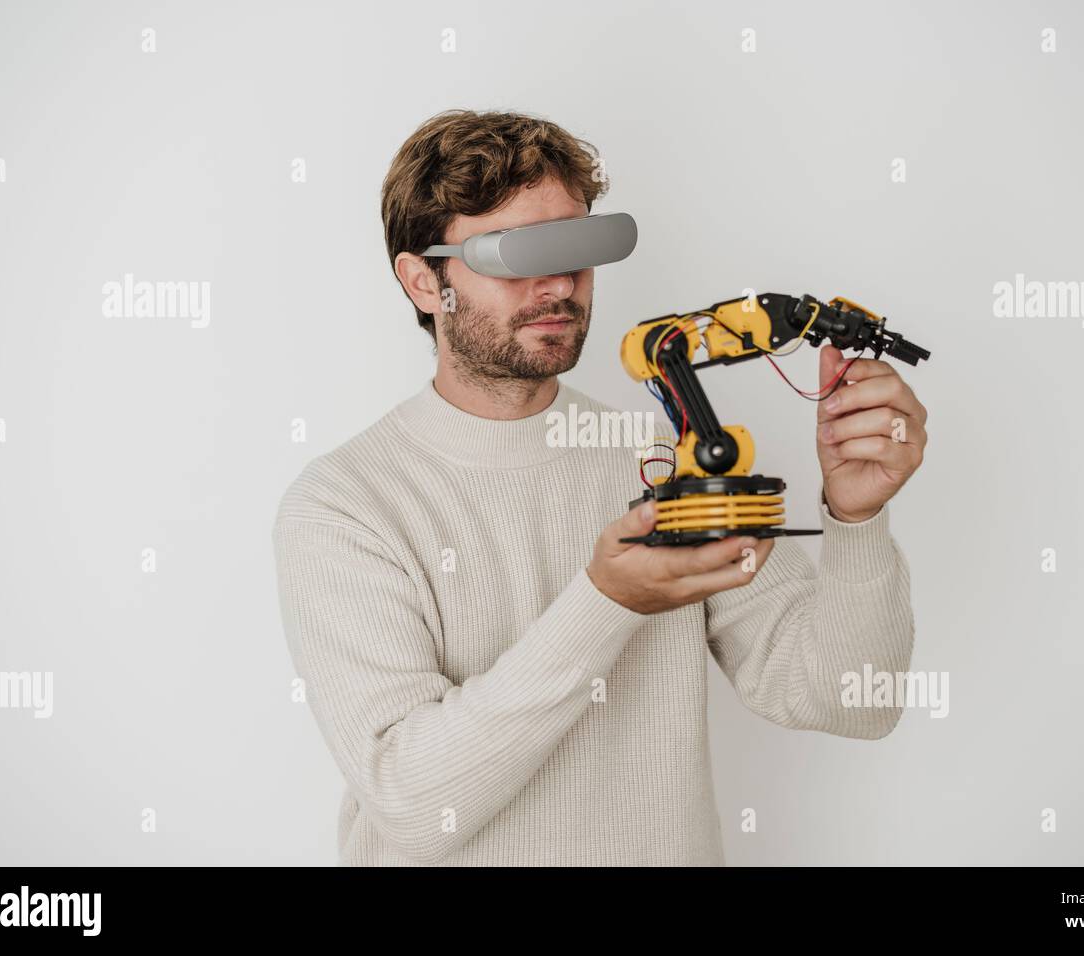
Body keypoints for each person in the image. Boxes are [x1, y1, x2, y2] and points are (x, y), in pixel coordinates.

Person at [272, 109, 928, 866]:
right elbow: (414, 806)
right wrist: (608, 600)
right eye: (515, 255)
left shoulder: (666, 459)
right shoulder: (346, 504)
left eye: (579, 249)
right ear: (425, 281)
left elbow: (853, 700)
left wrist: (857, 515)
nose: (558, 285)